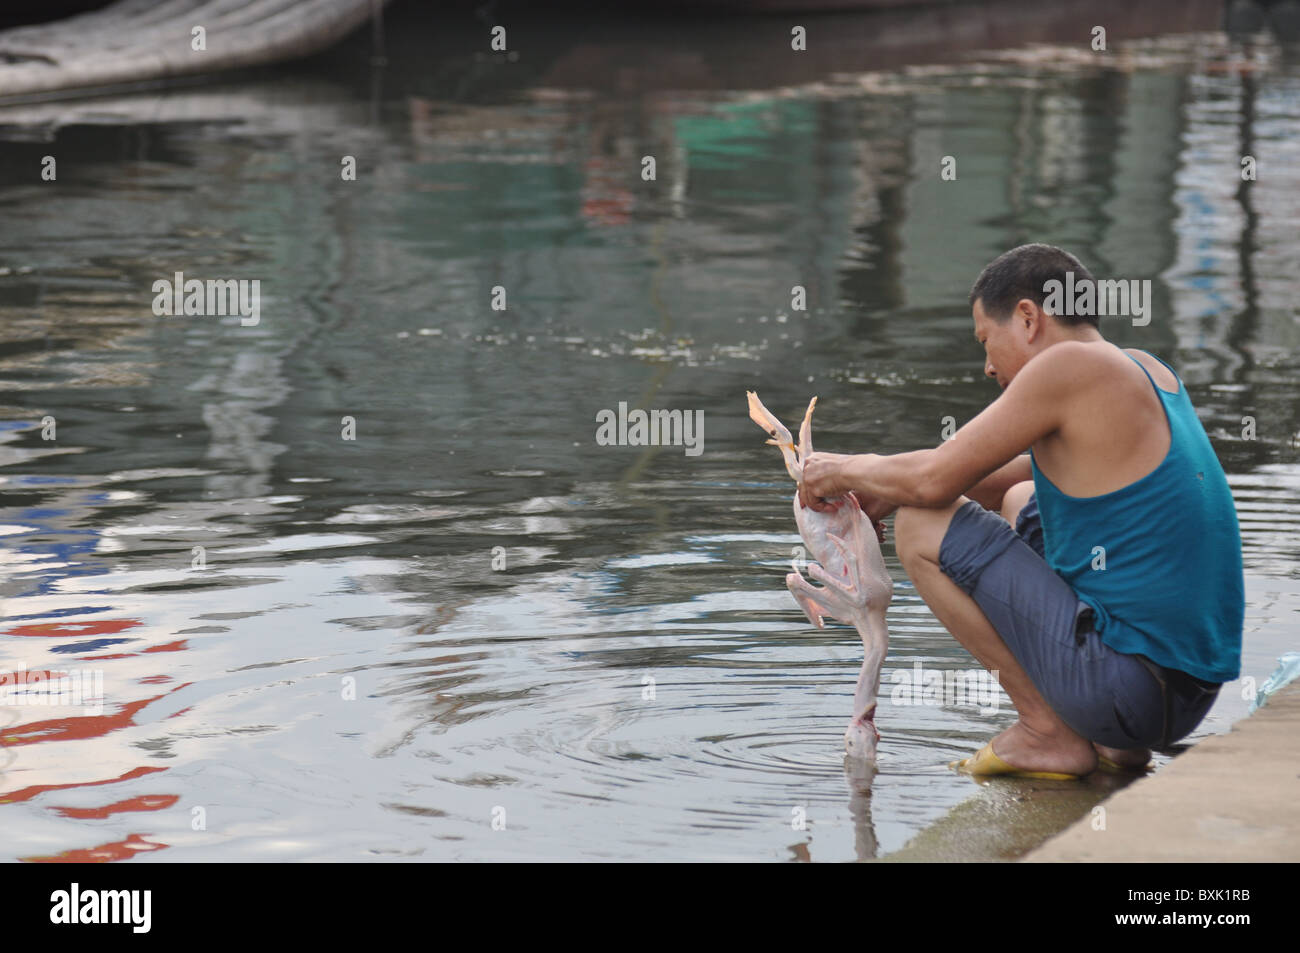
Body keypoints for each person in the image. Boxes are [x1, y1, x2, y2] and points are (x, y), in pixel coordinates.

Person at [798, 243, 1244, 778]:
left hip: (1128, 689)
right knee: (1020, 500)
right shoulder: (1143, 369)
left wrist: (842, 471)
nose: (988, 366)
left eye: (987, 341)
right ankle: (1110, 744)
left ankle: (1046, 730)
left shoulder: (1069, 366)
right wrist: (885, 487)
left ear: (1029, 318)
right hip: (1181, 697)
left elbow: (935, 480)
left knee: (921, 525)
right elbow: (985, 478)